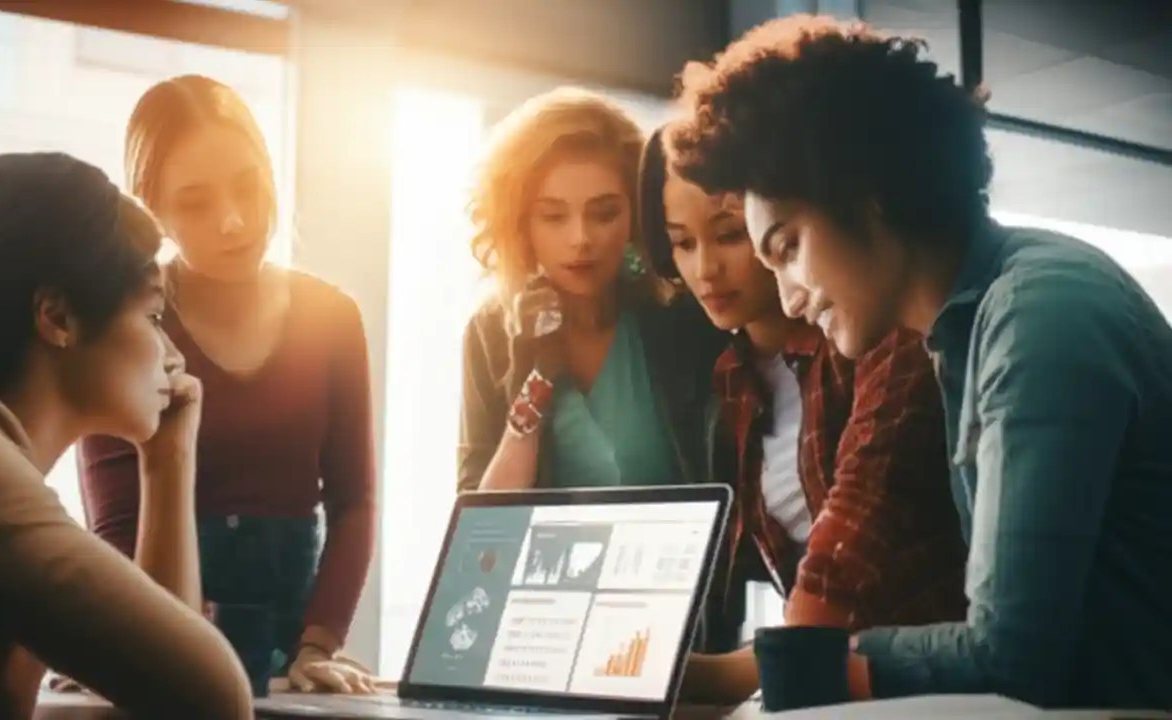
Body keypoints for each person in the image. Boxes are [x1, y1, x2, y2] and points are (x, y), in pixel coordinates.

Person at [665, 14, 1172, 710]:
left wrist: (808, 667)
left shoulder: (1039, 313)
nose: (786, 294)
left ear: (865, 192)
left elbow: (1011, 655)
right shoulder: (970, 325)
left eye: (786, 246)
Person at [0, 152, 252, 718]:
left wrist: (168, 461)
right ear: (57, 317)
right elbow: (210, 696)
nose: (175, 358)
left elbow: (163, 689)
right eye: (154, 318)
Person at [78, 75, 376, 694]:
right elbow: (114, 520)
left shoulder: (334, 317)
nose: (234, 221)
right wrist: (110, 640)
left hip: (293, 657)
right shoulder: (126, 325)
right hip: (153, 632)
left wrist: (318, 644)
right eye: (195, 202)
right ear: (150, 208)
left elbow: (355, 501)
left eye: (248, 185)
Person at [638, 127, 967, 665]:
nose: (705, 270)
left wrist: (714, 677)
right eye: (682, 242)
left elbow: (860, 520)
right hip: (838, 681)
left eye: (728, 235)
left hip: (936, 679)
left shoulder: (873, 332)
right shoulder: (733, 380)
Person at [458, 87, 723, 495]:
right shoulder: (492, 330)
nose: (581, 238)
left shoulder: (683, 316)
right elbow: (480, 520)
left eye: (604, 214)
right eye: (553, 216)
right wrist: (538, 377)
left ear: (637, 213)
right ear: (520, 224)